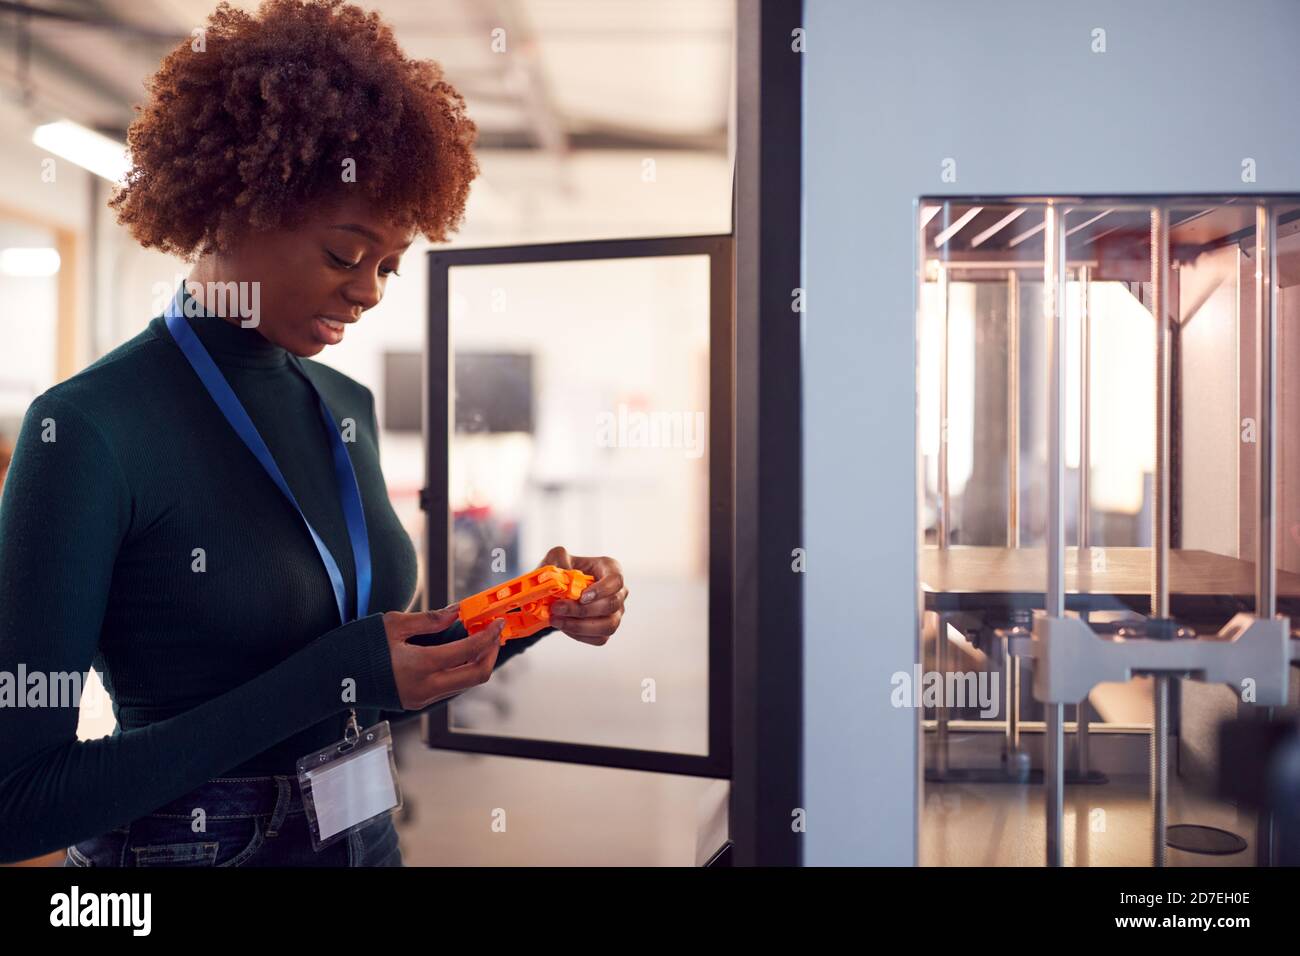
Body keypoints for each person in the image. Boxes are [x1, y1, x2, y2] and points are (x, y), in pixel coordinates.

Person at [0, 0, 627, 867]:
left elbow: (380, 672)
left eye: (389, 266)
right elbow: (19, 802)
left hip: (360, 835)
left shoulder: (344, 405)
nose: (369, 292)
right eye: (344, 255)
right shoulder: (88, 429)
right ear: (226, 207)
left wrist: (536, 611)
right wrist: (334, 676)